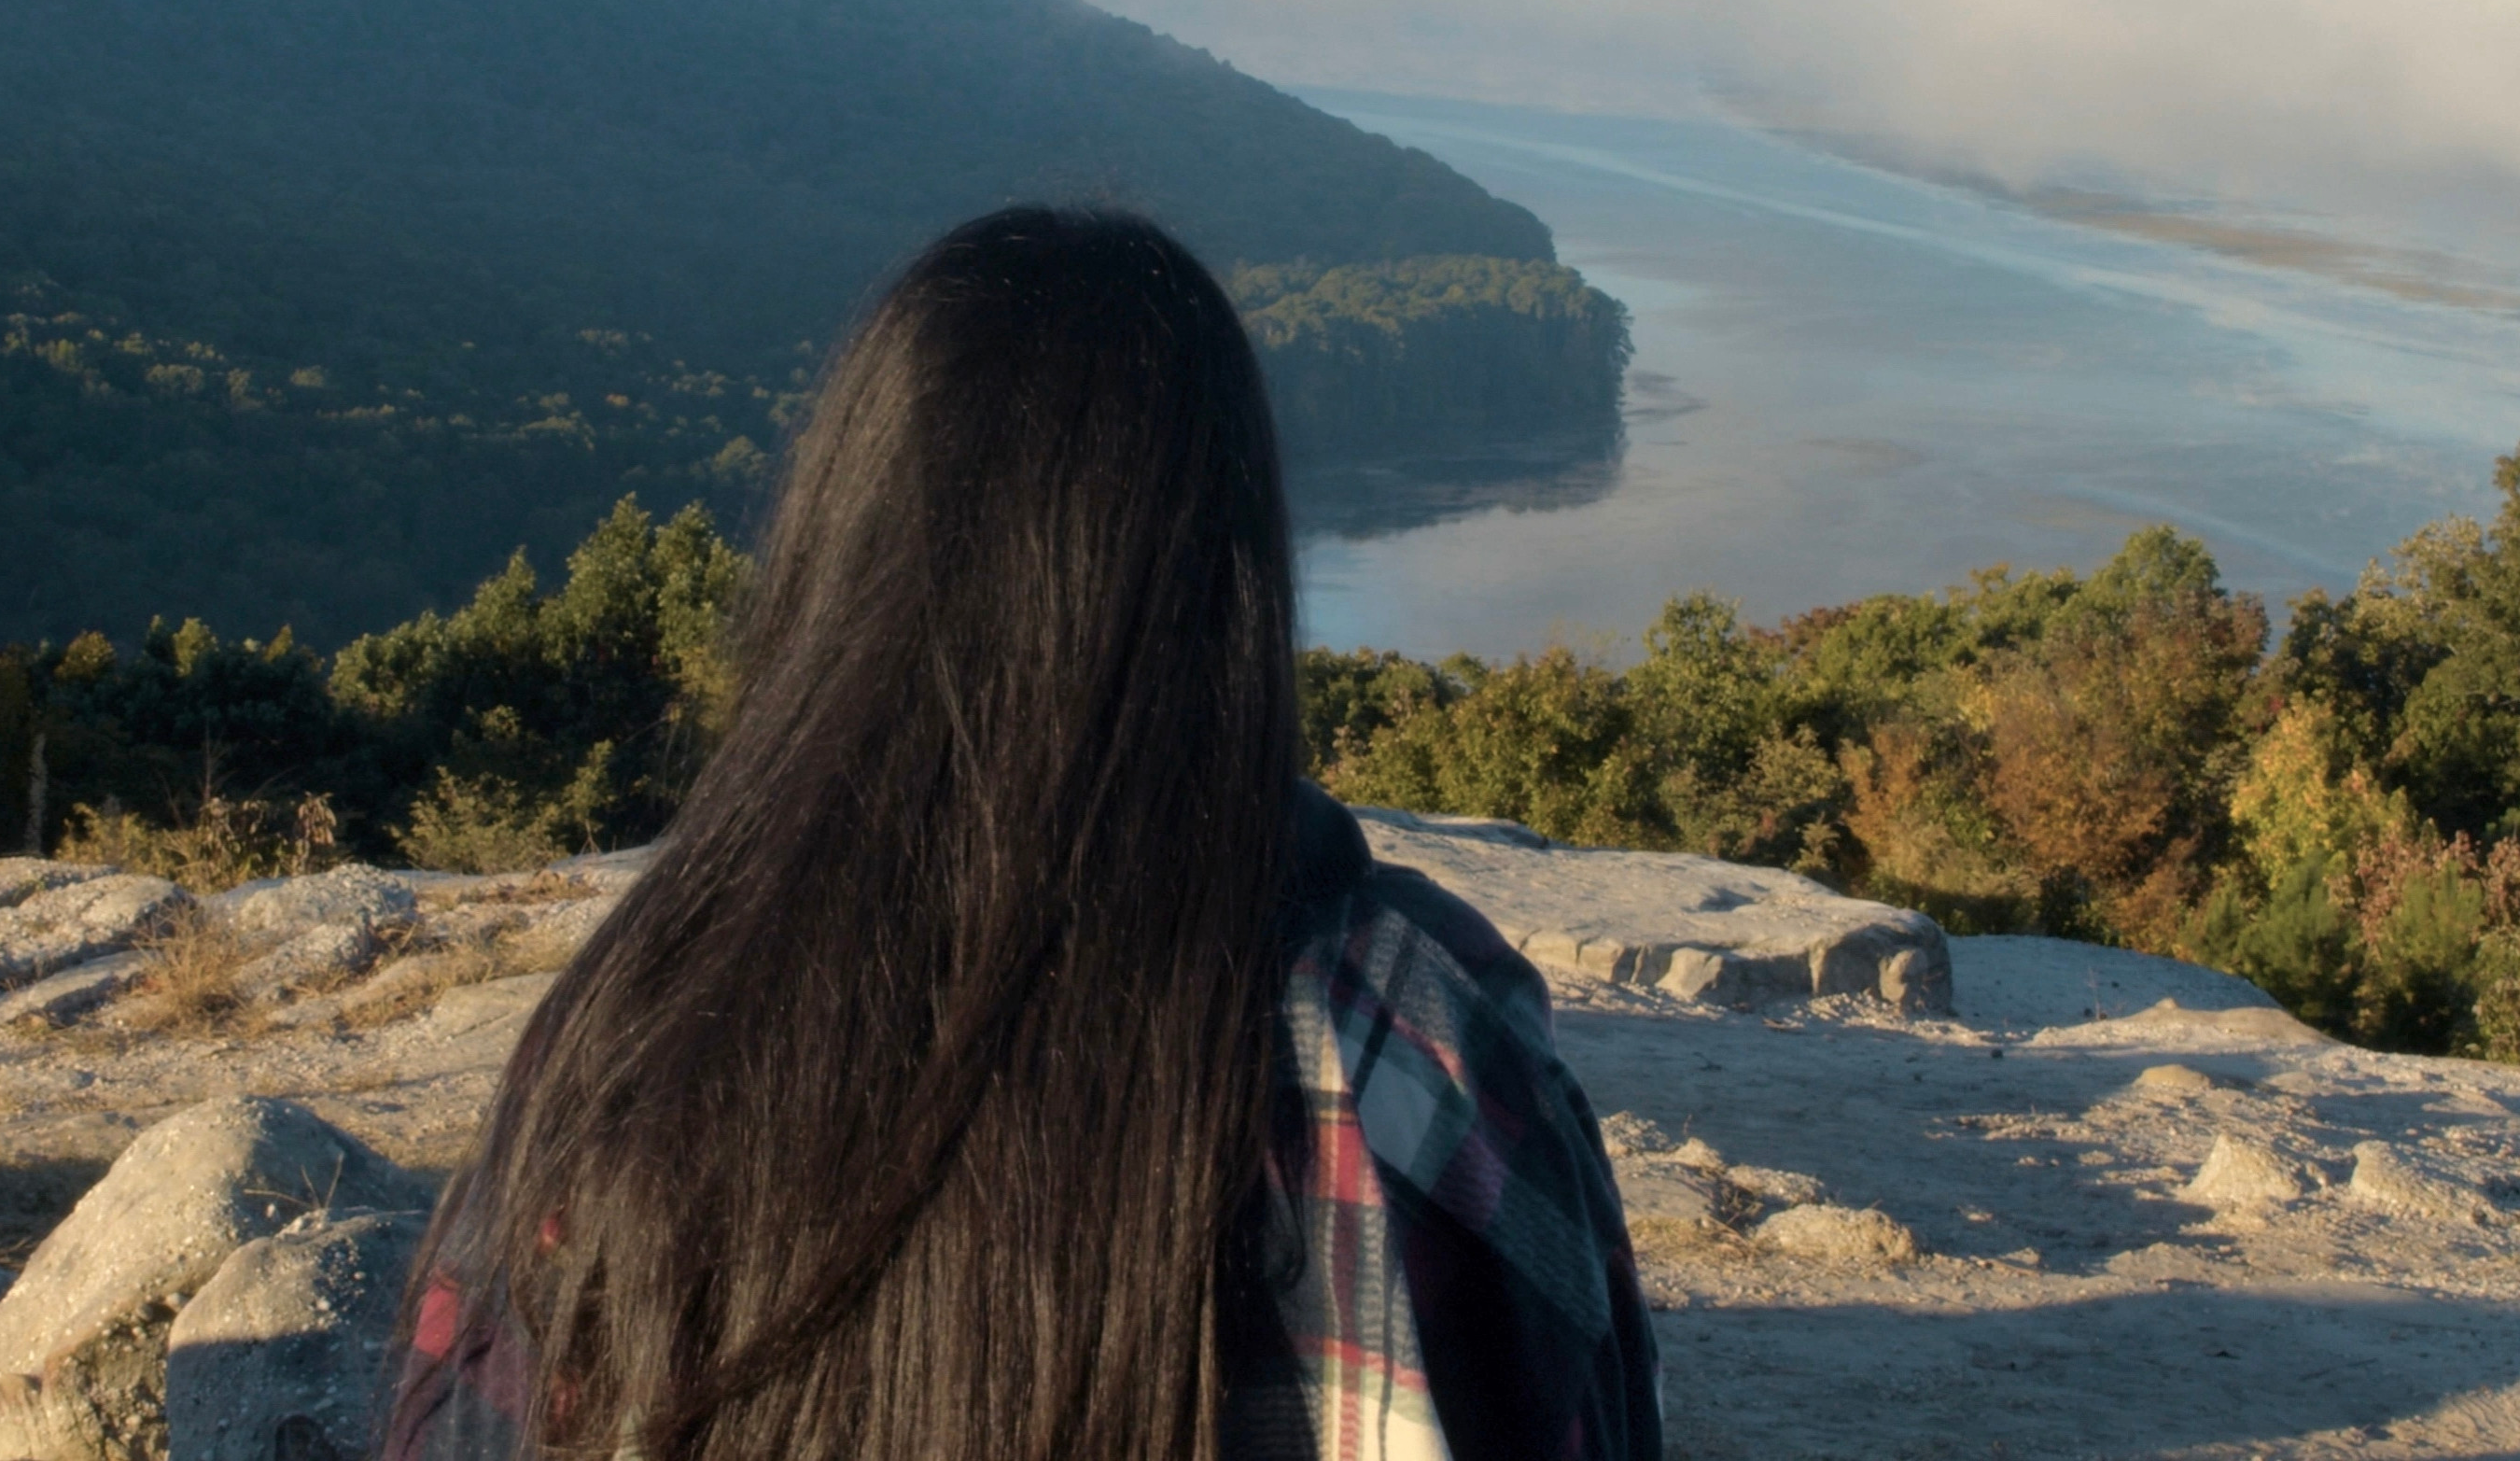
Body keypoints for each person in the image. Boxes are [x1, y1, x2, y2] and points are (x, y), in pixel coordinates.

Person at [379, 207, 1660, 1461]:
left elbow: (464, 1420)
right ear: (1228, 568)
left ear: (845, 544)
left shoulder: (640, 1027)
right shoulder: (1423, 1039)